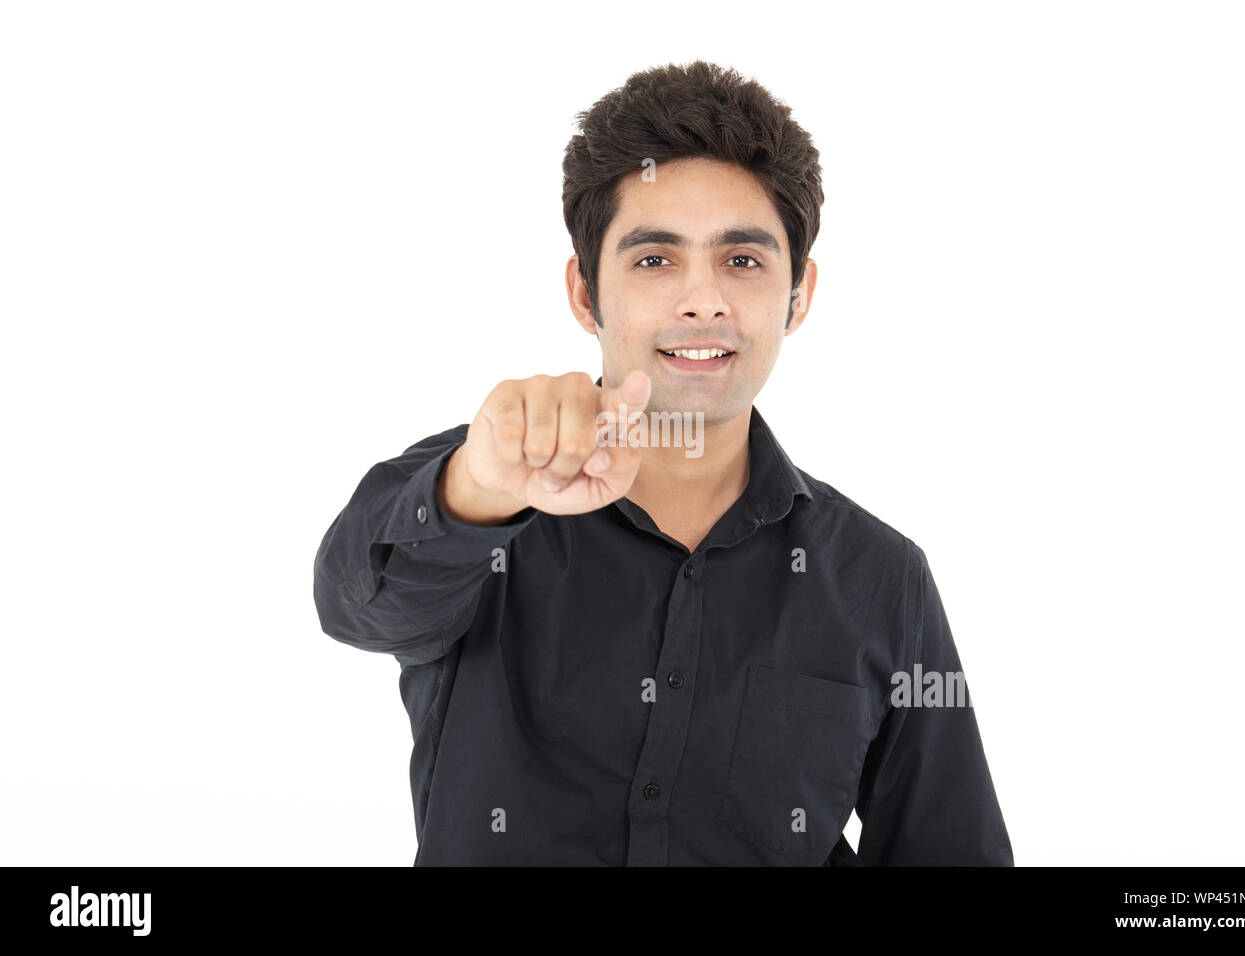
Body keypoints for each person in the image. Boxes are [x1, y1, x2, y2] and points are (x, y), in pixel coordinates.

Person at [313, 60, 1013, 866]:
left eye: (743, 261)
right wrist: (477, 490)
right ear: (585, 293)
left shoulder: (881, 577)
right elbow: (354, 605)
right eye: (654, 260)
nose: (702, 300)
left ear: (800, 295)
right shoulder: (481, 488)